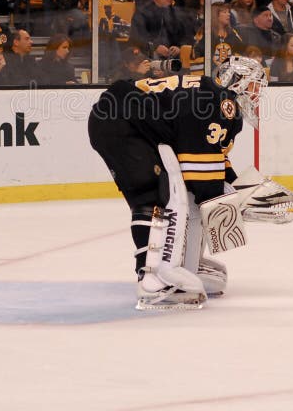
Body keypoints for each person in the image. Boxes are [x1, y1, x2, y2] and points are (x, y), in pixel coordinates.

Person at [88, 56, 269, 309]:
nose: (257, 93)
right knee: (150, 193)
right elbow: (200, 173)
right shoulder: (218, 101)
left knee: (170, 191)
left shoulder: (215, 98)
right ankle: (152, 277)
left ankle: (182, 264)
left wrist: (241, 190)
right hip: (119, 119)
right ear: (236, 81)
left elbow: (212, 160)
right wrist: (231, 203)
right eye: (254, 85)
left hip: (124, 117)